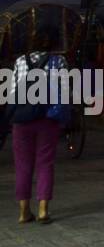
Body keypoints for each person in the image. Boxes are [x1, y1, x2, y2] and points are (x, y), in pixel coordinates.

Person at [7, 26, 70, 224]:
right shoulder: (58, 61)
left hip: (22, 120)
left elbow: (13, 91)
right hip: (47, 119)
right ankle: (43, 210)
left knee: (22, 165)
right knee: (45, 163)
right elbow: (65, 90)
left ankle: (24, 212)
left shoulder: (19, 61)